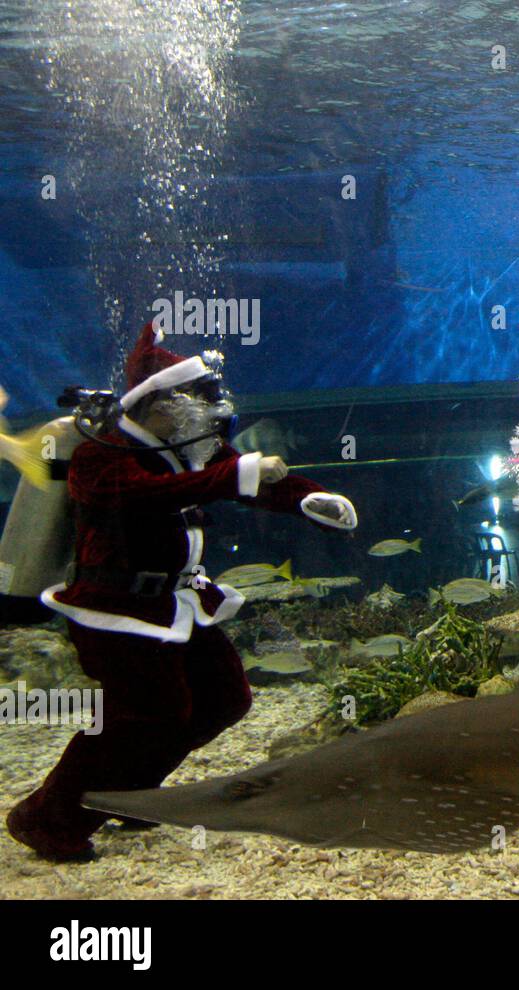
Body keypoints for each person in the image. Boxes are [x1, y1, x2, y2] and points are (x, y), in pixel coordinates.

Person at [6, 322, 359, 861]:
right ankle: (46, 817)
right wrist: (236, 475)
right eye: (193, 396)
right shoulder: (100, 456)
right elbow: (146, 495)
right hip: (115, 611)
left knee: (225, 699)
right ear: (157, 402)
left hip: (177, 604)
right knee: (145, 714)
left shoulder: (187, 450)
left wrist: (311, 499)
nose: (207, 408)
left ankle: (130, 794)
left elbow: (246, 477)